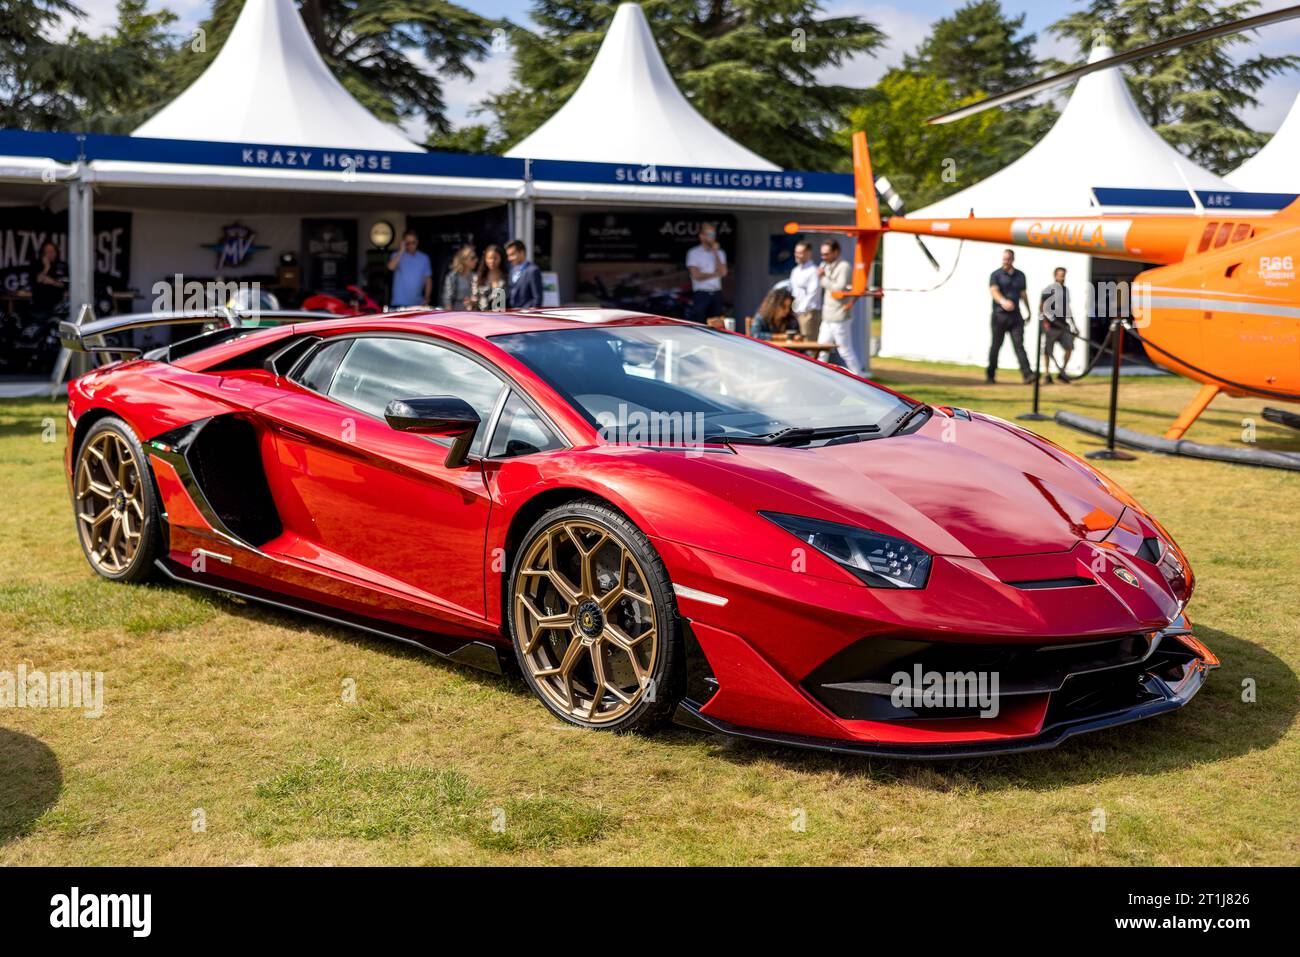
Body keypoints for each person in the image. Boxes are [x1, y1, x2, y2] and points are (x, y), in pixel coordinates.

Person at [815, 240, 866, 375]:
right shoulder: (826, 266)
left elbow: (839, 288)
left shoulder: (844, 266)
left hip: (840, 315)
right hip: (827, 316)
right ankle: (820, 376)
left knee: (845, 350)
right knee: (822, 349)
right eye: (822, 254)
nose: (823, 257)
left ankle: (859, 378)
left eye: (826, 254)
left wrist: (822, 278)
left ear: (836, 252)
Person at [988, 248, 1034, 384]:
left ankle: (1028, 375)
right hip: (999, 316)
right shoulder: (996, 275)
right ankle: (991, 374)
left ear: (1012, 259)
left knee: (1019, 345)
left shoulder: (1020, 275)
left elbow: (1023, 294)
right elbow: (993, 291)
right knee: (996, 345)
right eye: (1004, 258)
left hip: (1015, 316)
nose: (1005, 261)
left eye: (1008, 259)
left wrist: (1029, 310)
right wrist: (1003, 301)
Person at [1039, 266, 1076, 384]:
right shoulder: (1048, 290)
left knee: (1069, 347)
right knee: (1048, 351)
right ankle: (1047, 374)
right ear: (1055, 276)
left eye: (1064, 274)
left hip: (1063, 325)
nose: (1062, 277)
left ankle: (1062, 372)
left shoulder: (1066, 290)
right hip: (1051, 326)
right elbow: (1041, 307)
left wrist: (1074, 324)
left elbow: (1067, 308)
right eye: (1060, 275)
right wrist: (1045, 322)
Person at [686, 223, 727, 323]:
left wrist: (715, 252)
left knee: (717, 325)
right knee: (699, 324)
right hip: (701, 293)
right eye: (709, 234)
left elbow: (723, 272)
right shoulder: (694, 253)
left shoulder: (720, 253)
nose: (712, 237)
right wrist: (714, 274)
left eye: (713, 234)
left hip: (716, 293)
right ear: (701, 236)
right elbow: (696, 275)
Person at [387, 230, 432, 308]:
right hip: (399, 303)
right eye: (408, 243)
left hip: (418, 303)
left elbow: (428, 280)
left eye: (413, 242)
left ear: (417, 242)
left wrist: (427, 297)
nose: (411, 245)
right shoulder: (397, 255)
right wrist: (401, 250)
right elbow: (390, 267)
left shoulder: (424, 258)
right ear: (404, 243)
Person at [788, 240, 821, 340]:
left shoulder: (813, 270)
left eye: (800, 253)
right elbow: (792, 291)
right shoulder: (795, 271)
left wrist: (801, 309)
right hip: (796, 313)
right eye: (796, 252)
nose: (797, 255)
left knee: (809, 343)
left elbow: (813, 293)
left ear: (808, 253)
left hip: (809, 313)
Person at [31, 240, 68, 316]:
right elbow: (38, 279)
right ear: (43, 253)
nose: (50, 253)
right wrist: (46, 267)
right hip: (40, 306)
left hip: (59, 306)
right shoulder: (37, 264)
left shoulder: (62, 266)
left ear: (56, 252)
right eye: (47, 251)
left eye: (52, 251)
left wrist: (51, 281)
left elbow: (64, 284)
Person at [505, 239, 543, 309]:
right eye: (508, 255)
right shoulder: (513, 270)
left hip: (525, 315)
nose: (509, 259)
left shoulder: (533, 270)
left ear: (522, 252)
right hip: (512, 314)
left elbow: (537, 298)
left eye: (512, 255)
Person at [441, 245, 477, 310]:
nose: (476, 260)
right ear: (464, 260)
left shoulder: (475, 276)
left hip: (472, 313)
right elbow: (447, 298)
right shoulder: (453, 276)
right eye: (472, 258)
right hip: (456, 312)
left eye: (476, 257)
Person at [473, 244, 508, 311]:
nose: (492, 261)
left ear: (501, 258)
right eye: (489, 258)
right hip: (482, 316)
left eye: (495, 258)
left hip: (502, 316)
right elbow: (475, 297)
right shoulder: (479, 277)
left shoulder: (506, 276)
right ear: (485, 259)